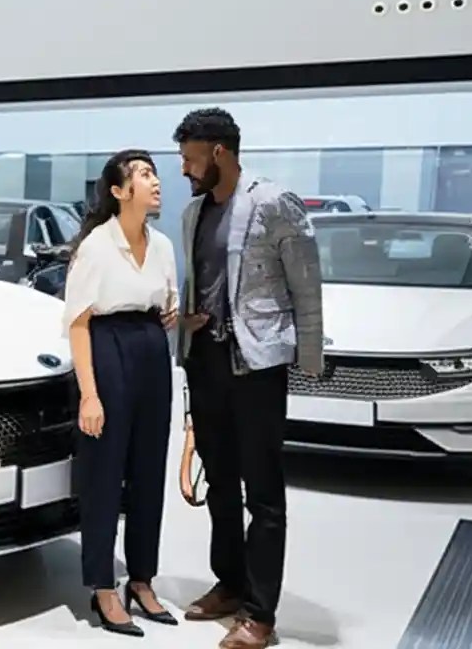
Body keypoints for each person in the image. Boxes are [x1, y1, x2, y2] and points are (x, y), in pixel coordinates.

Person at [172, 108, 323, 649]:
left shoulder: (273, 202)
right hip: (206, 363)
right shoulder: (193, 213)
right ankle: (230, 584)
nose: (184, 170)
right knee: (219, 485)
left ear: (219, 151)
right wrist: (186, 329)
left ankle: (260, 613)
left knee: (263, 493)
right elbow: (200, 281)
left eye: (190, 158)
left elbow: (306, 284)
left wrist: (308, 359)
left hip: (257, 367)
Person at [62, 149, 180, 638]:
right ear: (118, 190)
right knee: (104, 473)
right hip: (107, 346)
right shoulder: (96, 246)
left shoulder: (163, 245)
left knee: (149, 471)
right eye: (144, 174)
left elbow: (168, 303)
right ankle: (102, 587)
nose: (155, 182)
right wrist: (89, 395)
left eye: (154, 173)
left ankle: (142, 580)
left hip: (152, 348)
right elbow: (77, 323)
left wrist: (172, 314)